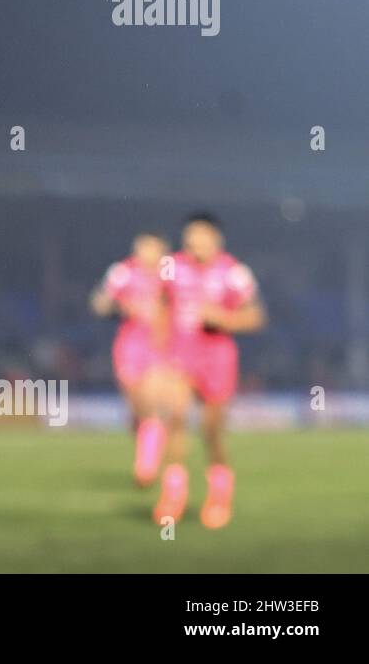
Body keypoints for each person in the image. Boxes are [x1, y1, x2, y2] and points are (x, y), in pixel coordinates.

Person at [154, 213, 266, 529]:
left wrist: (222, 318)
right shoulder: (172, 266)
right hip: (180, 356)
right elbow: (160, 305)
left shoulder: (234, 272)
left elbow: (256, 316)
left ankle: (219, 494)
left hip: (217, 358)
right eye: (190, 237)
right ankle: (172, 495)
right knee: (175, 419)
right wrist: (159, 349)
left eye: (202, 236)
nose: (195, 243)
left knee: (211, 432)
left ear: (217, 239)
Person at [90, 232, 170, 485]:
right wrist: (118, 305)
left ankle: (146, 464)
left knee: (152, 402)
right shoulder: (123, 271)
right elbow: (100, 302)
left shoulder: (170, 272)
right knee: (135, 405)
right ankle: (145, 440)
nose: (146, 253)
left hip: (161, 345)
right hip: (130, 346)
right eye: (142, 248)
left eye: (152, 248)